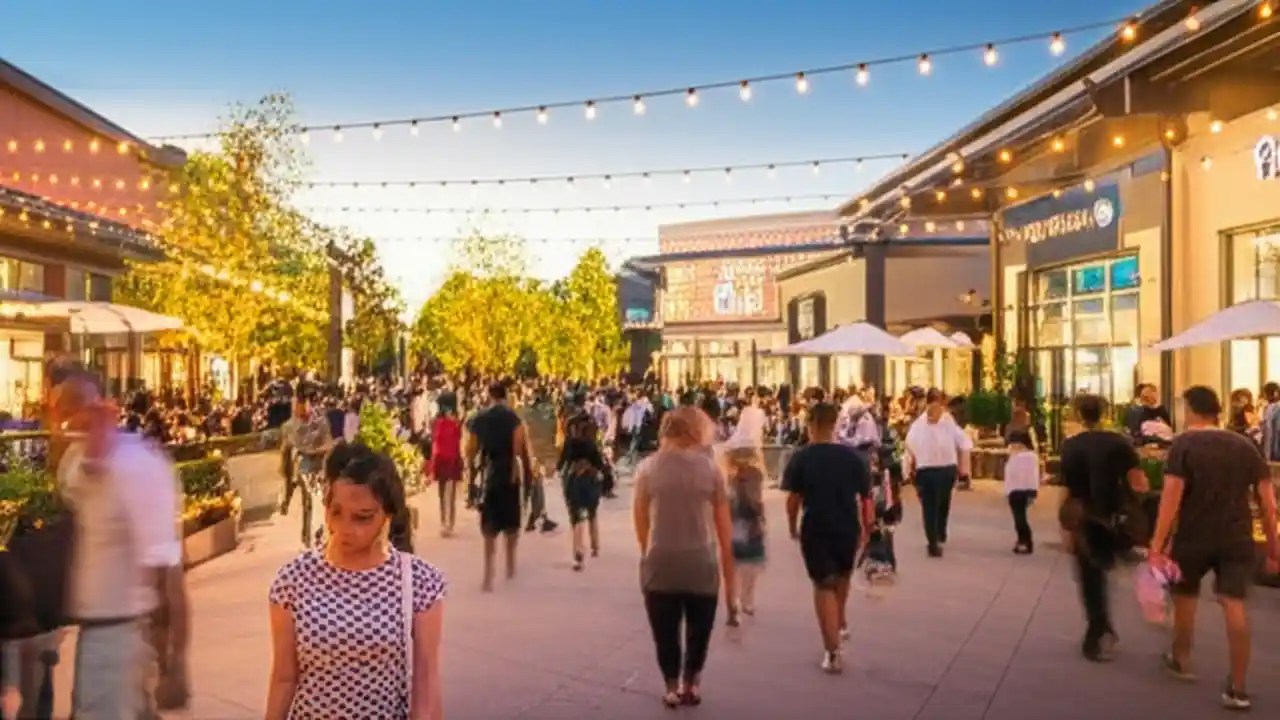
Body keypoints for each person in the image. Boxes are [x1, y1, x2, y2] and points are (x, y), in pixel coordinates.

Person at [266, 445, 445, 720]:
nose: (344, 528)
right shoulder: (292, 582)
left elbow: (426, 683)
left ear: (387, 514)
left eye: (362, 517)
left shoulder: (421, 583)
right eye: (335, 512)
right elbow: (284, 677)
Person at [55, 373, 190, 718]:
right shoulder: (78, 463)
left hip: (121, 636)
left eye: (68, 411)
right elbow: (73, 481)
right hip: (99, 636)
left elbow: (166, 571)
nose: (61, 424)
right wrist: (94, 458)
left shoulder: (140, 466)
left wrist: (173, 665)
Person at [1149, 386, 1280, 711]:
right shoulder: (1245, 446)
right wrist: (1275, 549)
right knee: (1234, 605)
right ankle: (1238, 687)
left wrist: (1157, 544)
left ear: (1191, 409)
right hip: (1237, 537)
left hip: (1194, 536)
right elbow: (1268, 503)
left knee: (1186, 596)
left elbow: (1171, 498)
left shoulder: (1184, 445)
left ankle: (1180, 659)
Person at [632, 407, 736, 708]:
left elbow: (640, 520)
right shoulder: (711, 471)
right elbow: (723, 529)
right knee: (699, 630)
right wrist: (732, 592)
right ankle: (691, 684)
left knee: (664, 632)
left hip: (660, 561)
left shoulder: (646, 469)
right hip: (701, 562)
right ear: (693, 433)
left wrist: (648, 551)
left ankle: (671, 686)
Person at [782, 402, 874, 674]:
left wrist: (791, 527)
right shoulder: (853, 458)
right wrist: (867, 527)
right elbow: (866, 498)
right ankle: (840, 619)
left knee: (823, 584)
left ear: (810, 425)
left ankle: (832, 651)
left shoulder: (801, 458)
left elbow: (793, 499)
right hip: (848, 526)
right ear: (836, 425)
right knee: (843, 576)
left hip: (816, 526)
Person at [1058, 393, 1148, 663]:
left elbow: (1067, 490)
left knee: (1090, 577)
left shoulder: (1071, 447)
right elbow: (1139, 483)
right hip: (1115, 516)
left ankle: (1097, 632)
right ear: (1105, 413)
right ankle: (1106, 625)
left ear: (1077, 415)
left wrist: (1064, 528)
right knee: (1106, 568)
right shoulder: (1120, 443)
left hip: (1086, 517)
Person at [465, 382, 535, 592]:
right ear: (506, 396)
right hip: (510, 474)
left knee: (489, 527)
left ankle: (488, 575)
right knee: (511, 524)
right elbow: (520, 449)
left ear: (489, 395)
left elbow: (470, 449)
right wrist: (528, 474)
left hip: (489, 473)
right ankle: (511, 569)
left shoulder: (480, 419)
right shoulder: (514, 419)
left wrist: (471, 476)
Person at [903, 389, 972, 558]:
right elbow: (965, 442)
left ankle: (933, 540)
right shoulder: (948, 420)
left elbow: (909, 447)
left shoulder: (919, 423)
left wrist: (907, 471)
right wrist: (965, 470)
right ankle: (939, 534)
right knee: (942, 502)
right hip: (946, 469)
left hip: (926, 470)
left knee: (930, 506)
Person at [281, 393, 334, 549]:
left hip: (320, 467)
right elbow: (285, 452)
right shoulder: (288, 427)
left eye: (304, 404)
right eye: (298, 405)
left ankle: (322, 536)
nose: (301, 409)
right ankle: (308, 539)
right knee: (308, 502)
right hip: (302, 466)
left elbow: (328, 444)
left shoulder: (321, 422)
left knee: (323, 502)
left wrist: (316, 451)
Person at [724, 441, 766, 623]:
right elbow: (756, 501)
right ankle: (745, 600)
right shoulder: (753, 474)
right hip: (746, 522)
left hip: (739, 522)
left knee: (737, 565)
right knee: (748, 565)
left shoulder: (734, 476)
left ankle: (737, 601)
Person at [560, 414, 606, 571]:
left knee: (577, 518)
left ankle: (578, 551)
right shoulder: (592, 444)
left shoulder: (570, 443)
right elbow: (600, 465)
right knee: (592, 513)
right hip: (591, 482)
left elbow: (561, 464)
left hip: (575, 481)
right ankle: (595, 546)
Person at [426, 392, 463, 537]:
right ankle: (449, 523)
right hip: (451, 457)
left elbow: (434, 441)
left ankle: (445, 522)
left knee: (443, 492)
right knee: (449, 492)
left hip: (442, 457)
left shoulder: (437, 422)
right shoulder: (455, 422)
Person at [1003, 430, 1040, 554]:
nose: (1013, 447)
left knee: (1020, 518)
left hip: (1020, 490)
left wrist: (1032, 491)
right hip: (1016, 490)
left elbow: (1033, 475)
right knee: (1019, 517)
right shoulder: (1015, 456)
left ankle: (1025, 540)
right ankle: (1022, 540)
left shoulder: (1028, 457)